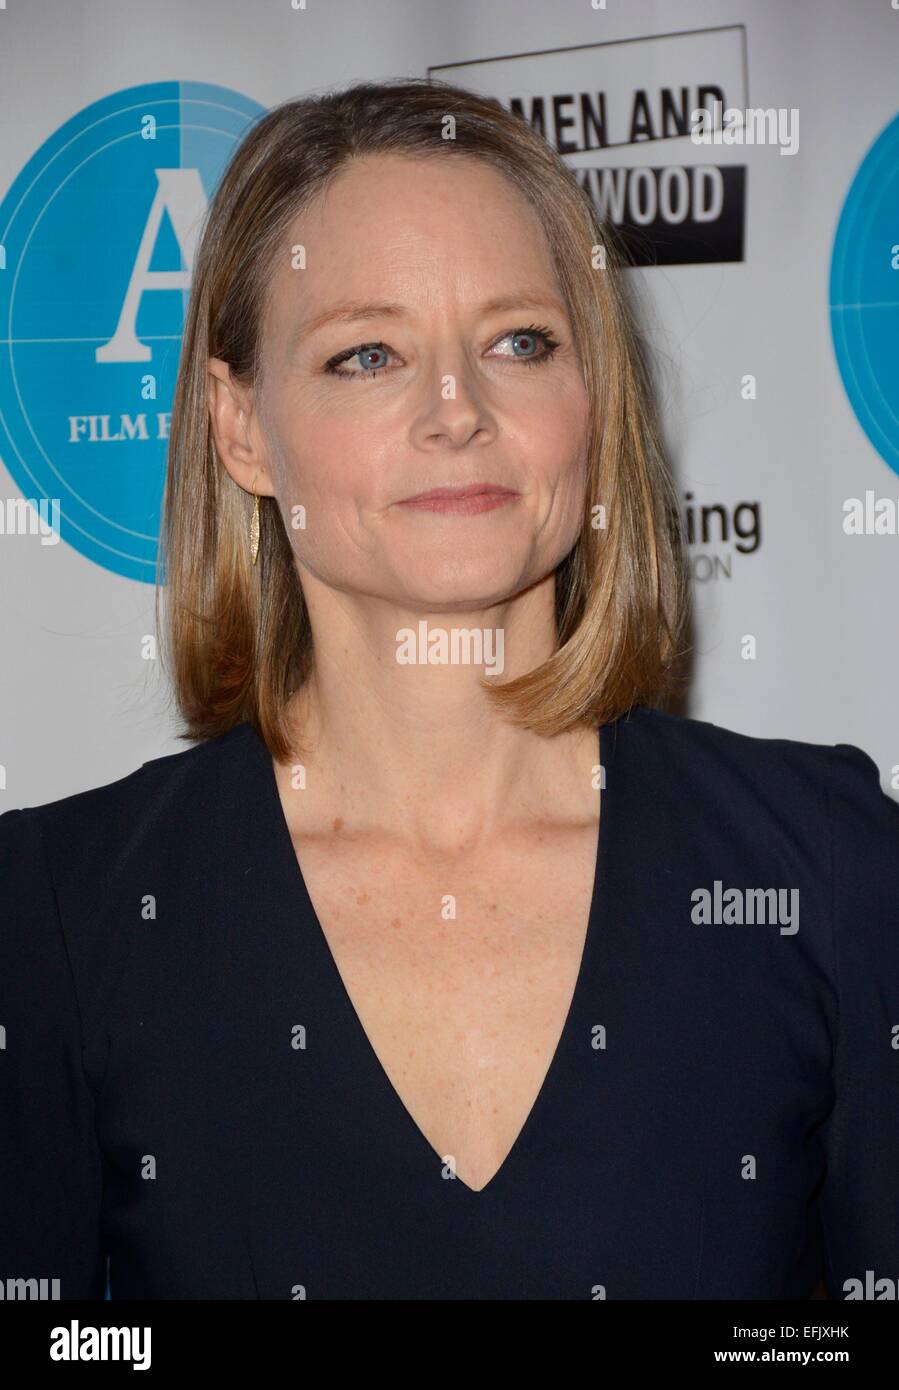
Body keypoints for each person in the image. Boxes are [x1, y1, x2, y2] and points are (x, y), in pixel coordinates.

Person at [1, 78, 897, 1301]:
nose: (456, 412)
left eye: (516, 342)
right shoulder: (60, 913)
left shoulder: (824, 867)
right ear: (239, 427)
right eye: (366, 353)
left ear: (592, 399)